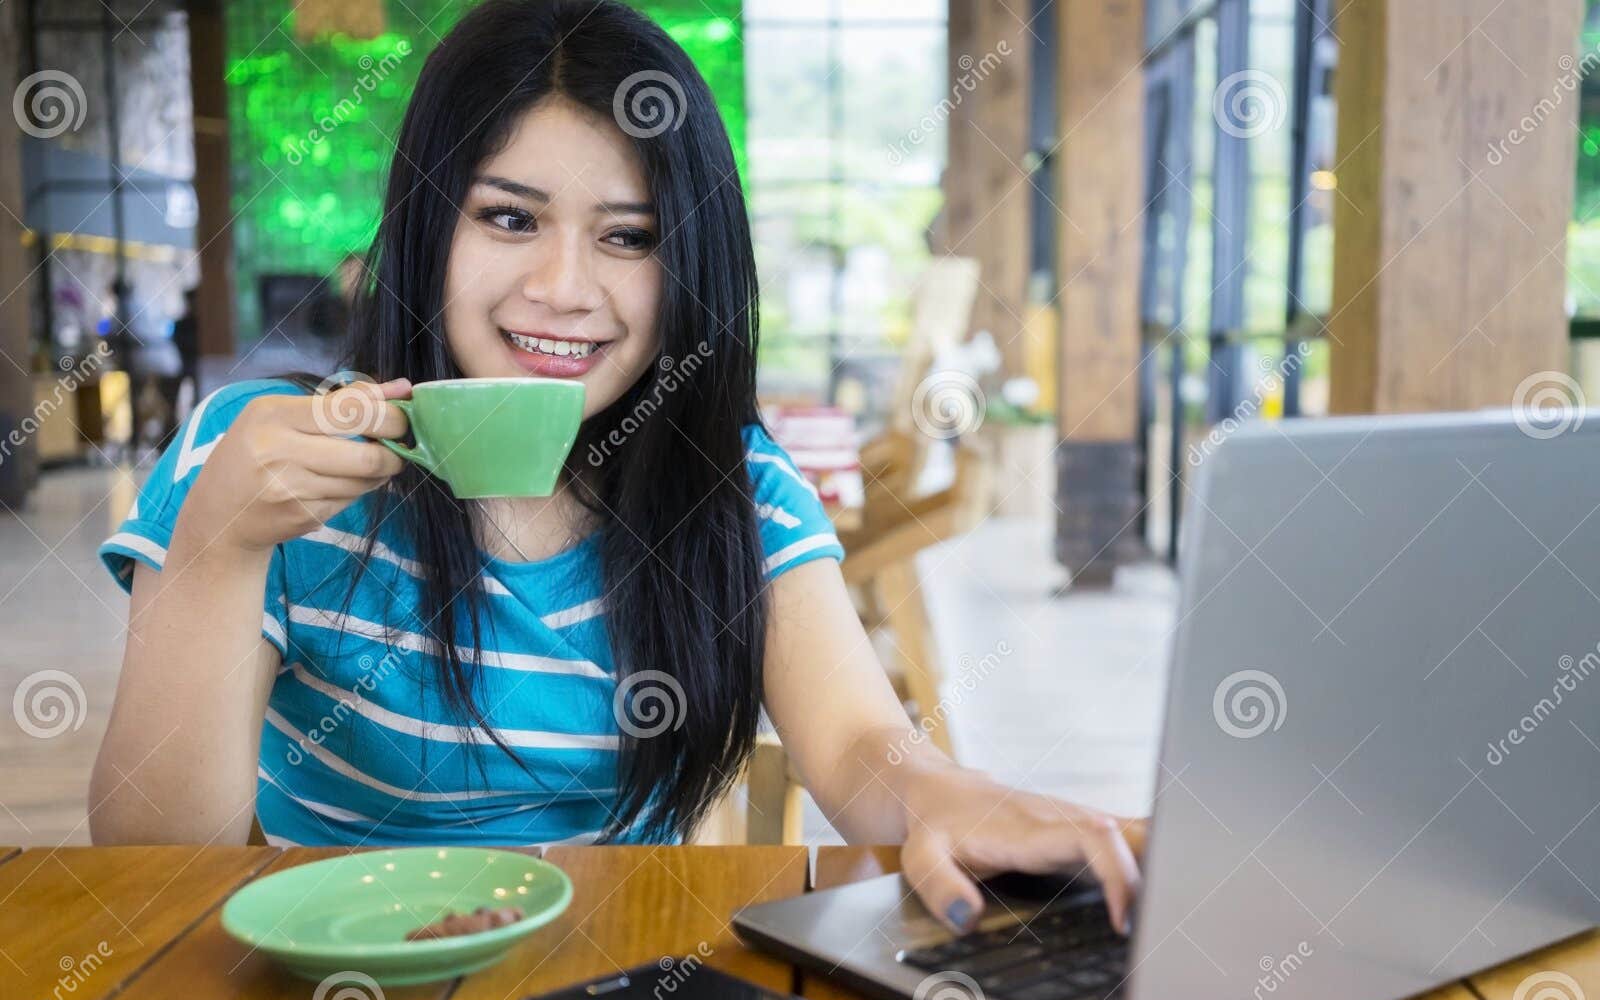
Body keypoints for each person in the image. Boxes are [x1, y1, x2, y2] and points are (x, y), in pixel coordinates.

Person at [89, 0, 1144, 935]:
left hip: (614, 993)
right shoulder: (260, 454)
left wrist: (948, 793)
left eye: (629, 237)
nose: (564, 287)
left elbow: (862, 740)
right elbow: (148, 859)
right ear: (426, 230)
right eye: (509, 217)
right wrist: (218, 544)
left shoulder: (731, 483)